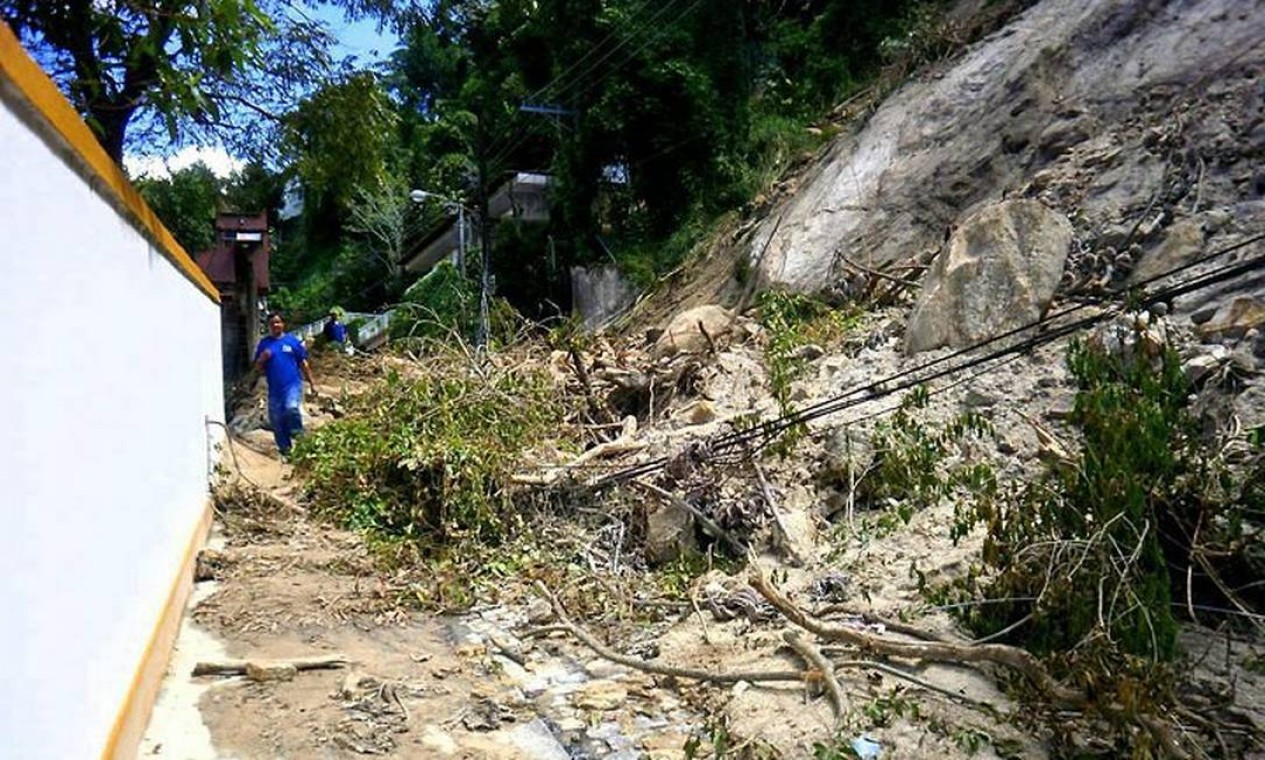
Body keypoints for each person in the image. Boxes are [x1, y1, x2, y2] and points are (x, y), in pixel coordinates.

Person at [254, 312, 317, 456]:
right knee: (276, 421)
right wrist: (262, 359)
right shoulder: (264, 344)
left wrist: (312, 383)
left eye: (278, 322)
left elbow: (304, 364)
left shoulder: (292, 341)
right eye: (272, 323)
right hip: (275, 389)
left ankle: (299, 436)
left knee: (291, 408)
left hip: (293, 385)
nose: (276, 325)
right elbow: (257, 367)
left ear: (283, 324)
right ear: (269, 326)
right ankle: (286, 452)